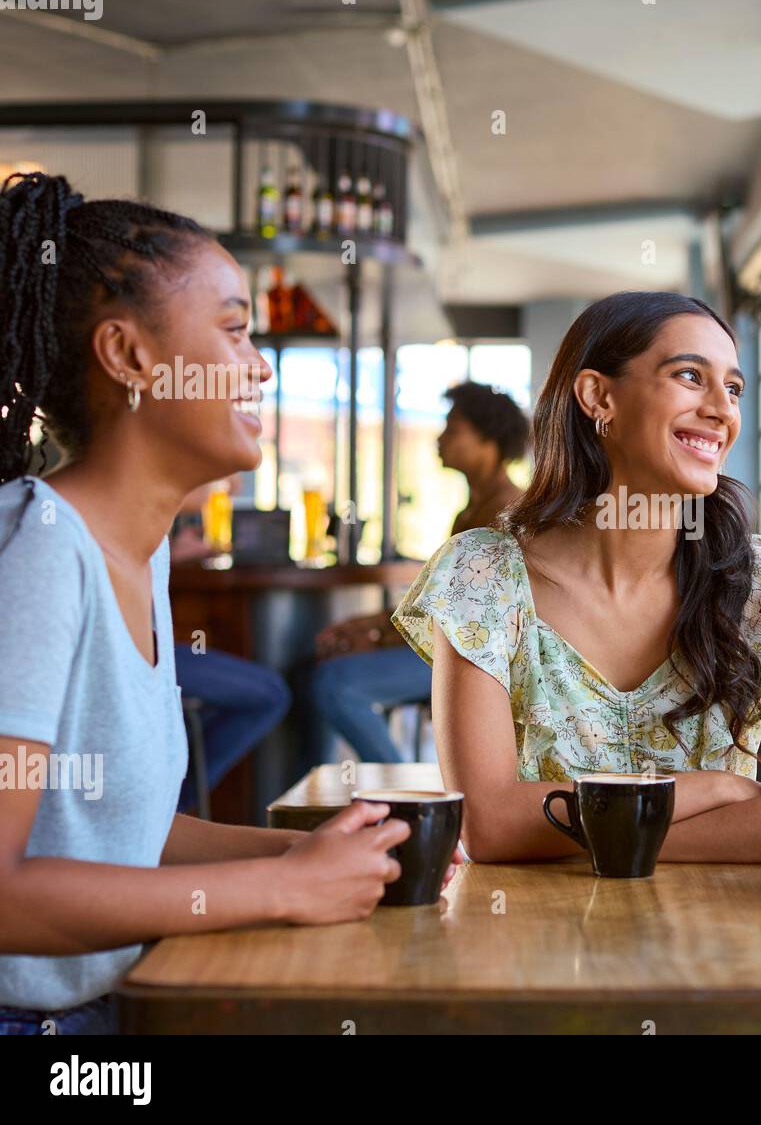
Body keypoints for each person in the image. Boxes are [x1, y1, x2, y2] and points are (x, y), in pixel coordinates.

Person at [0, 173, 446, 1035]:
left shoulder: (136, 551)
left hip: (113, 1007)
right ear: (130, 357)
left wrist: (339, 854)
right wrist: (279, 886)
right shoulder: (40, 551)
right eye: (236, 330)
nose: (261, 363)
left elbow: (127, 835)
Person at [391, 291, 761, 863]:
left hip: (730, 945)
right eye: (691, 376)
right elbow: (488, 827)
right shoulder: (481, 579)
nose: (723, 410)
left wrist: (617, 838)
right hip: (530, 942)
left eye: (733, 389)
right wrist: (715, 791)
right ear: (598, 396)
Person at [309, 381, 529, 764]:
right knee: (319, 670)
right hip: (446, 649)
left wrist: (375, 635)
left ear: (488, 441)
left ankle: (406, 798)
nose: (440, 439)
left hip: (478, 661)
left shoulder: (507, 513)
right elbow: (437, 600)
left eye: (454, 429)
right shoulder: (469, 512)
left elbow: (466, 618)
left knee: (334, 684)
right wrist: (366, 628)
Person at [170, 480, 292, 812]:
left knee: (267, 693)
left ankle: (177, 798)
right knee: (269, 693)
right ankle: (178, 802)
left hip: (155, 651)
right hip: (150, 654)